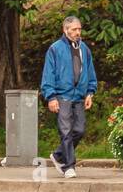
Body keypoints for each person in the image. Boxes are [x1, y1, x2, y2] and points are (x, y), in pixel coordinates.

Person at [40, 15, 97, 179]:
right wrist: (51, 97)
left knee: (79, 130)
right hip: (62, 95)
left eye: (79, 29)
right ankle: (68, 166)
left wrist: (90, 93)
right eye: (74, 29)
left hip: (79, 95)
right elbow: (48, 74)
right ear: (65, 30)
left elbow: (90, 71)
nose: (78, 32)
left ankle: (58, 155)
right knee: (66, 131)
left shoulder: (84, 49)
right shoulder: (55, 49)